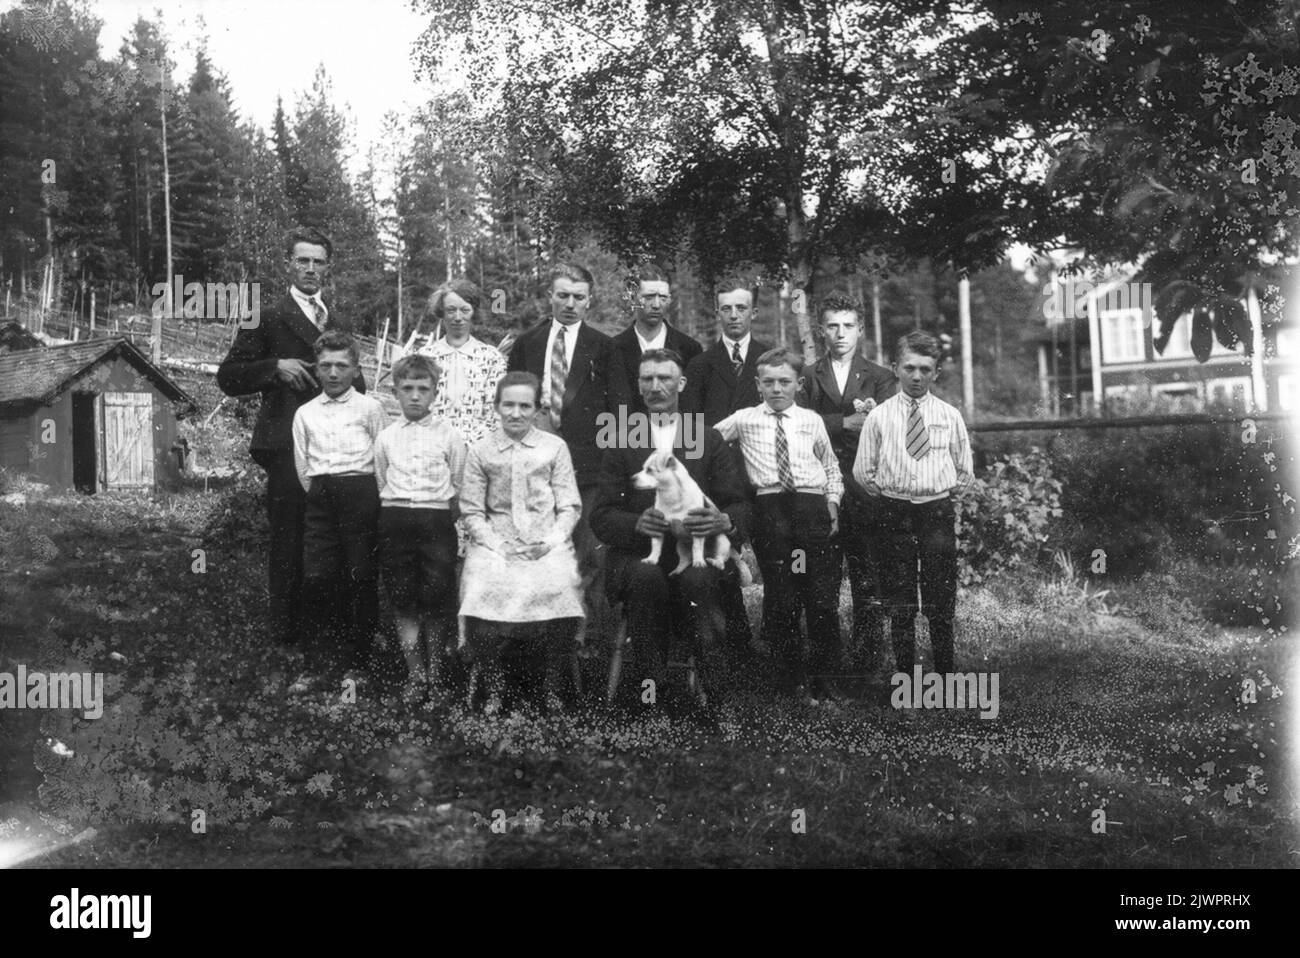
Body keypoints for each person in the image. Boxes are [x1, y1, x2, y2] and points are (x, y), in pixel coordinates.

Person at [217, 227, 367, 649]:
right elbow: (227, 377)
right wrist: (274, 366)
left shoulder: (337, 322)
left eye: (319, 262)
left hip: (338, 448)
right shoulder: (264, 314)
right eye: (303, 260)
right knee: (289, 538)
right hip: (286, 446)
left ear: (328, 268)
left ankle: (329, 629)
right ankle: (286, 632)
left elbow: (360, 382)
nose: (310, 269)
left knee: (332, 539)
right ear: (289, 264)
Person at [590, 348, 750, 713]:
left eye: (664, 378)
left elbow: (737, 501)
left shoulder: (705, 437)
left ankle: (716, 696)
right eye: (647, 378)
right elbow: (600, 515)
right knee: (647, 579)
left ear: (681, 383)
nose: (655, 386)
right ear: (638, 384)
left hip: (695, 551)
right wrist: (635, 523)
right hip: (639, 555)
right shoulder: (622, 438)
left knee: (699, 580)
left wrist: (725, 522)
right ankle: (653, 695)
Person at [506, 263, 626, 657]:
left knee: (587, 554)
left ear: (589, 301)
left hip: (589, 470)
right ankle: (537, 636)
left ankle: (585, 637)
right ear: (550, 297)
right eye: (563, 295)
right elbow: (513, 405)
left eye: (578, 297)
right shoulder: (528, 343)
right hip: (536, 468)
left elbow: (618, 411)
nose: (570, 304)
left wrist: (610, 466)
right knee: (538, 549)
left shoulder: (605, 347)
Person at [715, 347, 844, 702]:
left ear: (798, 384)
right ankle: (790, 680)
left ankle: (825, 679)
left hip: (811, 508)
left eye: (784, 382)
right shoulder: (743, 419)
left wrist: (832, 503)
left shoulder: (811, 421)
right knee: (783, 597)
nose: (776, 389)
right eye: (768, 382)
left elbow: (831, 467)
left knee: (820, 598)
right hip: (772, 513)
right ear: (757, 385)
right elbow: (706, 443)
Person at [458, 372, 585, 713]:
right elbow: (471, 511)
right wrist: (498, 546)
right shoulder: (481, 450)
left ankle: (550, 687)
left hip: (545, 542)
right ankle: (495, 686)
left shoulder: (554, 447)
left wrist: (551, 541)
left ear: (537, 409)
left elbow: (569, 505)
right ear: (497, 406)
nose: (515, 413)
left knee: (563, 587)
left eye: (524, 406)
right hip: (496, 544)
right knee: (479, 589)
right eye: (508, 405)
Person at [853, 331, 973, 675]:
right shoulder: (880, 417)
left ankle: (945, 672)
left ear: (936, 372)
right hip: (894, 510)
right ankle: (906, 676)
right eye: (909, 368)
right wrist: (884, 491)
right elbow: (863, 468)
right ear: (895, 369)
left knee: (940, 592)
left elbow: (965, 469)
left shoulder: (949, 416)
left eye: (925, 369)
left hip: (935, 511)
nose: (917, 376)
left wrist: (945, 492)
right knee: (899, 593)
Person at [799, 292, 897, 671]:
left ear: (860, 329)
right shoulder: (807, 377)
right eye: (832, 326)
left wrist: (854, 427)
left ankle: (869, 666)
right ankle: (828, 666)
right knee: (821, 585)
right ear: (821, 330)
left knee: (868, 582)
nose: (840, 333)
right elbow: (799, 426)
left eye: (848, 326)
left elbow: (885, 432)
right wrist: (844, 424)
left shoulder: (881, 378)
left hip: (866, 493)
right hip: (821, 491)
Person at [290, 331, 389, 685]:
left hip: (361, 495)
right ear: (316, 369)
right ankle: (316, 663)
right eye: (326, 366)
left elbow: (382, 459)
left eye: (342, 366)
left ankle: (359, 662)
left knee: (360, 577)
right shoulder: (305, 414)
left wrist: (368, 499)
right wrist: (321, 492)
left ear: (355, 369)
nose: (334, 373)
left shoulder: (370, 408)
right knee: (316, 578)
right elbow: (303, 467)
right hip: (320, 498)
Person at [374, 353, 467, 705]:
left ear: (435, 393)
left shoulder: (450, 436)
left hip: (436, 522)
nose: (415, 396)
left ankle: (438, 676)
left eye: (423, 389)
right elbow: (382, 477)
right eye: (407, 388)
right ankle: (415, 674)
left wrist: (437, 512)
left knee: (436, 599)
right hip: (395, 521)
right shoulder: (386, 438)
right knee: (403, 600)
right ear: (396, 391)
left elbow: (457, 482)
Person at [409, 279, 508, 447]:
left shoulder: (491, 358)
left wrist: (469, 446)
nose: (457, 317)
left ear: (474, 312)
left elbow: (497, 412)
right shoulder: (425, 357)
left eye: (464, 310)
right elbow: (417, 407)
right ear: (441, 312)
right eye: (451, 310)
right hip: (432, 447)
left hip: (478, 451)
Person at [680, 277, 772, 427]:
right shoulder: (699, 365)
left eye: (741, 308)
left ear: (754, 313)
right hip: (714, 448)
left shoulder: (770, 360)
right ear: (717, 314)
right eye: (726, 309)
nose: (734, 315)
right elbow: (690, 424)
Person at [611, 264, 703, 413]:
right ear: (634, 298)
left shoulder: (689, 348)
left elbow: (693, 404)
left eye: (662, 297)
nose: (656, 305)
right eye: (648, 297)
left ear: (669, 299)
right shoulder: (614, 348)